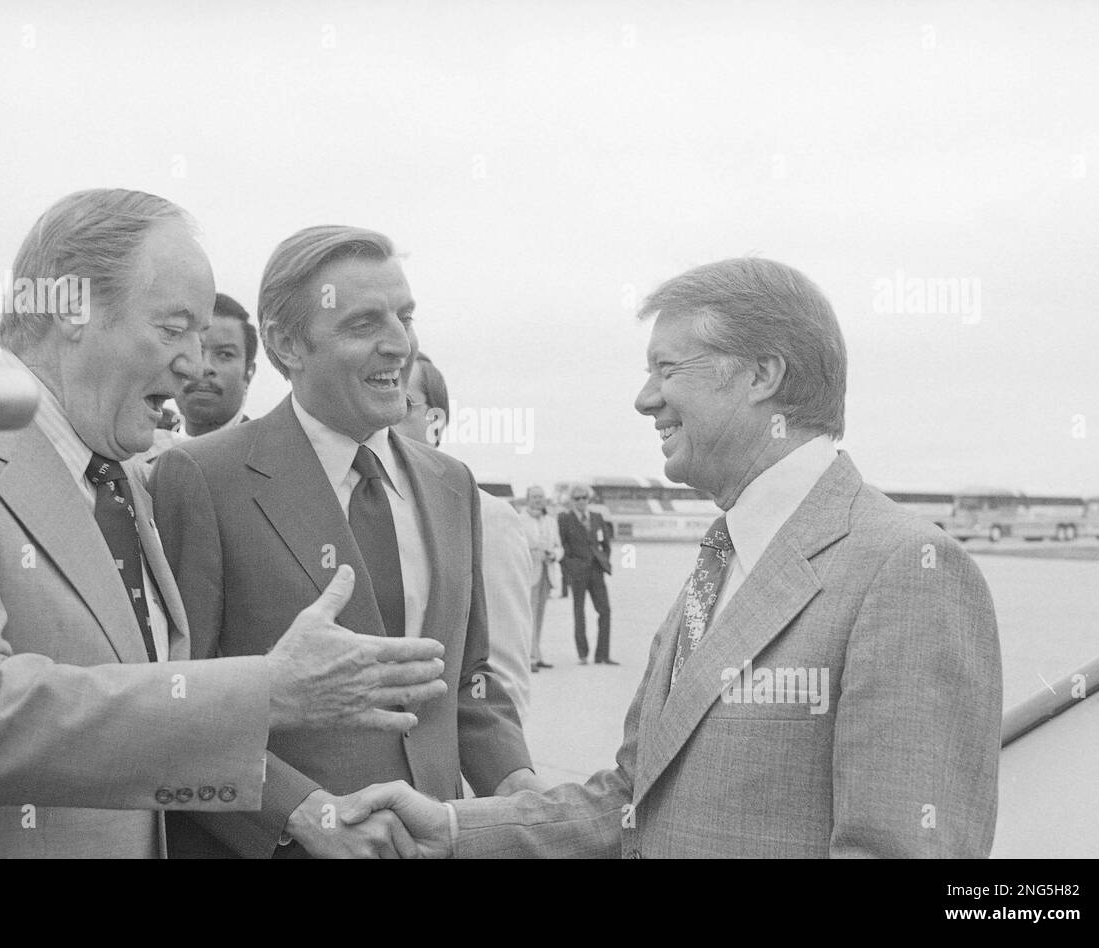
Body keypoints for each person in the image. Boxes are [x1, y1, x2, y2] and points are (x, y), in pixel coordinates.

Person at [0, 190, 447, 858]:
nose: (194, 362)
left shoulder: (124, 483)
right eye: (173, 328)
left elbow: (148, 729)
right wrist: (266, 691)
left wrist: (304, 811)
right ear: (71, 310)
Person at [342, 256, 1003, 858]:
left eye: (667, 368)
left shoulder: (907, 572)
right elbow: (633, 800)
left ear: (761, 375)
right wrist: (454, 830)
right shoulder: (724, 560)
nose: (644, 397)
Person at [148, 225, 536, 859]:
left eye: (405, 318)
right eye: (364, 325)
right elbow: (180, 705)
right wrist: (304, 815)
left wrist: (520, 790)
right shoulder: (200, 478)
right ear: (285, 344)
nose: (399, 345)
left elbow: (469, 686)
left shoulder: (451, 484)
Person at [394, 352, 534, 721]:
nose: (385, 418)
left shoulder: (488, 518)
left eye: (403, 403)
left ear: (436, 422)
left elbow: (501, 683)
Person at [135, 292, 256, 470]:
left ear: (249, 373)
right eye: (197, 349)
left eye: (225, 354)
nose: (204, 367)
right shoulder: (137, 455)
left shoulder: (271, 461)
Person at [559, 485, 616, 664]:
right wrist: (571, 566)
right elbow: (562, 546)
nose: (581, 501)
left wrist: (603, 560)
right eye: (577, 498)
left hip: (596, 570)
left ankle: (602, 655)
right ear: (571, 501)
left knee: (605, 611)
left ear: (588, 499)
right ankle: (582, 655)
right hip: (577, 572)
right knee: (579, 612)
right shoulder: (564, 519)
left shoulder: (597, 517)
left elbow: (606, 544)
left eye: (584, 497)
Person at [520, 486, 562, 672]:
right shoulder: (520, 520)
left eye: (541, 497)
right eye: (535, 496)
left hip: (547, 573)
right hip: (529, 573)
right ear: (527, 499)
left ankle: (537, 654)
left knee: (540, 616)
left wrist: (554, 555)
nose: (538, 500)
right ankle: (528, 657)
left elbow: (559, 547)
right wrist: (534, 552)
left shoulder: (551, 521)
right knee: (529, 617)